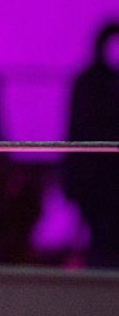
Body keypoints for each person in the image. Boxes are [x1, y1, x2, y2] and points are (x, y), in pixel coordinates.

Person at [64, 23, 119, 268]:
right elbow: (78, 131)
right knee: (101, 246)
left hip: (96, 178)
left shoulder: (89, 83)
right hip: (96, 181)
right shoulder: (91, 84)